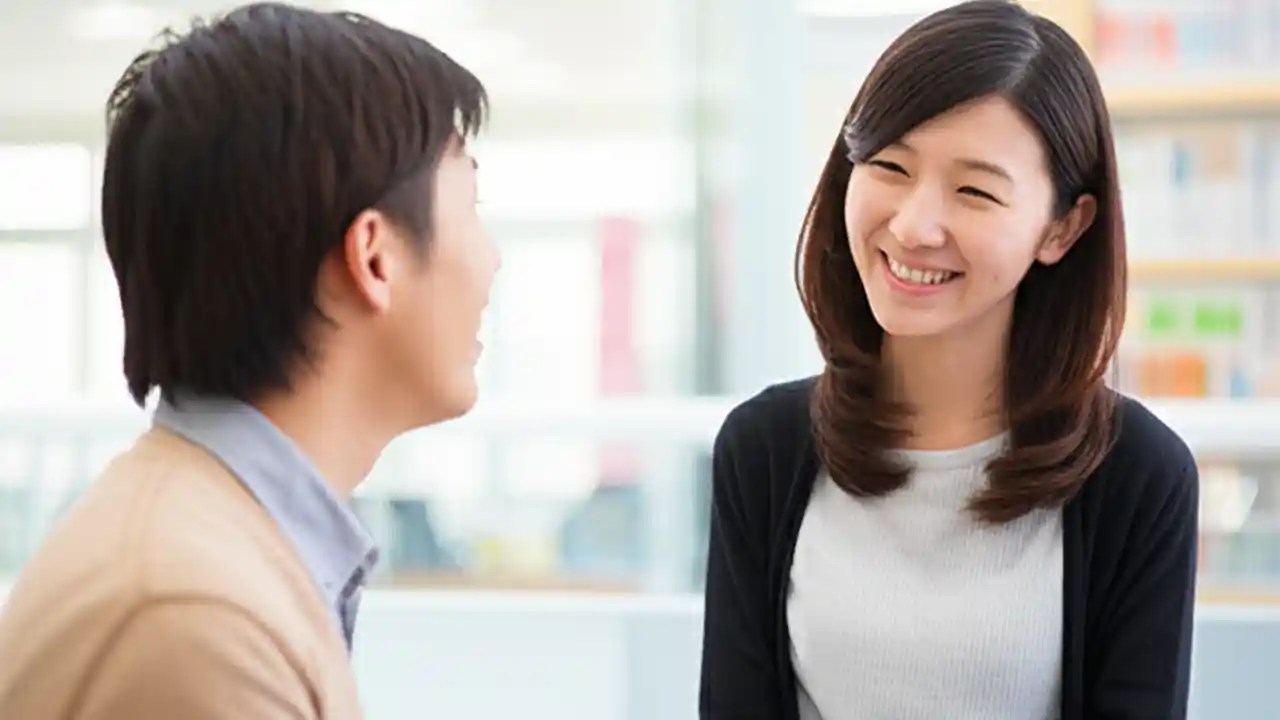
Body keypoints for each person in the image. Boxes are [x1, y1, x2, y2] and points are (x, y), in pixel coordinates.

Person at [699, 2, 1198, 719]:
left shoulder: (1139, 476)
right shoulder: (764, 449)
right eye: (889, 166)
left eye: (974, 191)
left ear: (1062, 227)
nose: (912, 226)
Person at [0, 3, 497, 718]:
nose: (492, 258)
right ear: (375, 257)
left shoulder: (215, 548)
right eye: (473, 204)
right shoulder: (195, 619)